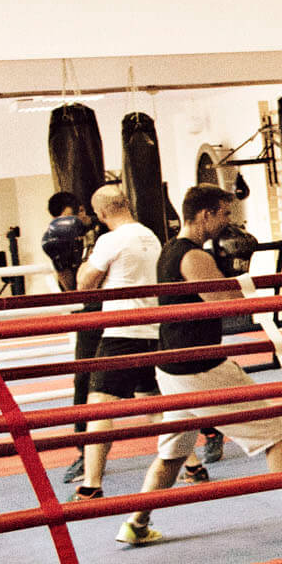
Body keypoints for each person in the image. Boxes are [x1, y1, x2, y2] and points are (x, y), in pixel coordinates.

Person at [116, 184, 282, 547]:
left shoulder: (170, 251)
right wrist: (236, 272)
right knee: (275, 432)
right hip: (200, 367)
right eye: (224, 214)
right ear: (205, 214)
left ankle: (136, 522)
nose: (228, 222)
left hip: (174, 368)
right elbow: (229, 304)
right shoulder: (193, 257)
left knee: (174, 453)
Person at [69, 184, 205, 500]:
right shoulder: (150, 235)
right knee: (156, 404)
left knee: (100, 407)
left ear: (101, 213)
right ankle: (194, 466)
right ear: (127, 205)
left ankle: (91, 484)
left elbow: (83, 284)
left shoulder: (110, 240)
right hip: (154, 331)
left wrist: (85, 258)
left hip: (122, 334)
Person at [42, 192, 100, 484]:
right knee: (82, 383)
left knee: (156, 377)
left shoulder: (103, 236)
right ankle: (83, 452)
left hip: (120, 312)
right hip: (88, 317)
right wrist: (61, 262)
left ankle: (208, 431)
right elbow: (72, 291)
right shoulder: (64, 241)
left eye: (72, 218)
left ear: (82, 211)